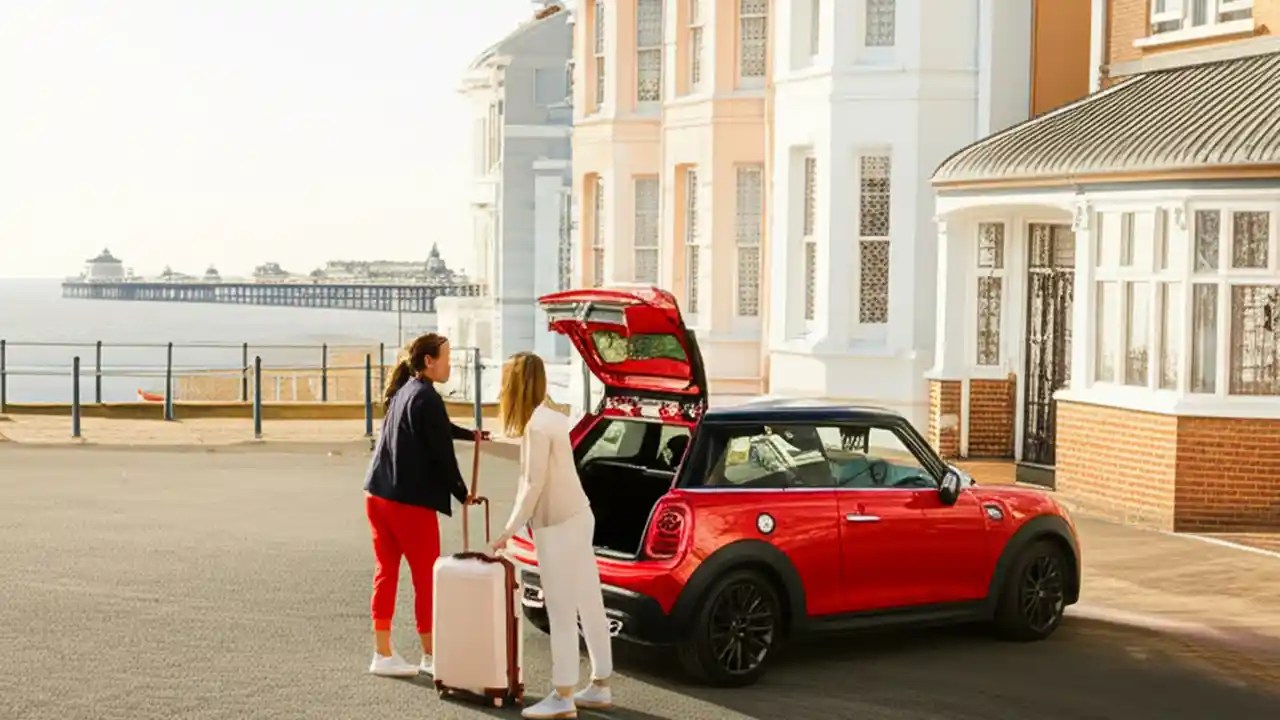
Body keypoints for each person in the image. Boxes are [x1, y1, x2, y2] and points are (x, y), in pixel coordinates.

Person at [488, 352, 614, 718]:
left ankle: (563, 695)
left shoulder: (536, 427)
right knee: (588, 601)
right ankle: (600, 684)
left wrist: (507, 532)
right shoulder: (553, 418)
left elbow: (532, 484)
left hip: (558, 524)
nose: (501, 391)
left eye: (505, 383)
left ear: (516, 386)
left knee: (560, 609)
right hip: (578, 515)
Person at [363, 332, 487, 678]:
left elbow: (437, 430)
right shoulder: (428, 398)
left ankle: (382, 653)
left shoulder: (405, 390)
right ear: (429, 361)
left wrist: (471, 435)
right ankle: (430, 656)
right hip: (408, 502)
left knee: (386, 572)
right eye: (446, 358)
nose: (450, 364)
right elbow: (442, 455)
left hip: (377, 494)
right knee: (425, 578)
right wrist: (463, 493)